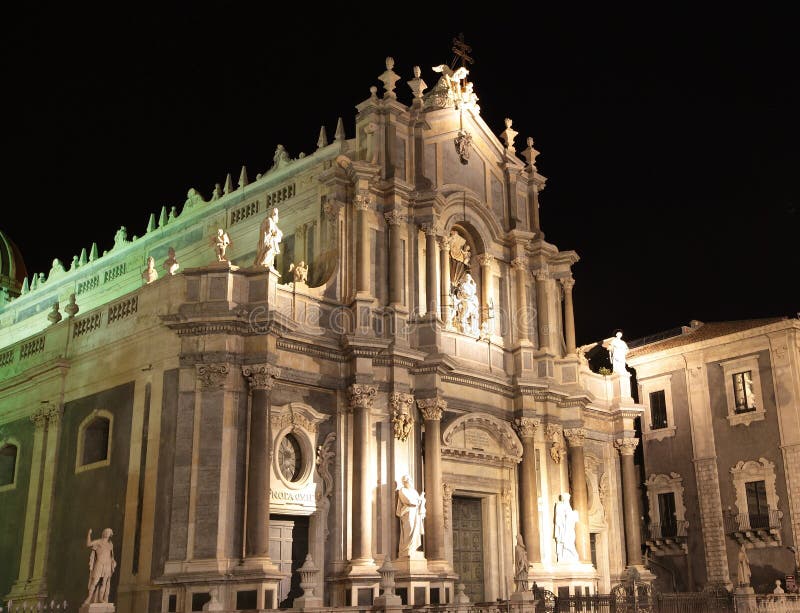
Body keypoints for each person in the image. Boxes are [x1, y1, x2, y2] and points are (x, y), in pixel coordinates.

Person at [83, 528, 116, 605]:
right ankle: (89, 597)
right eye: (106, 532)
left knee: (104, 582)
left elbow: (112, 555)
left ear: (110, 534)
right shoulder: (99, 541)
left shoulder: (110, 544)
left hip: (107, 564)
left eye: (109, 532)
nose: (107, 533)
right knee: (95, 581)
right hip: (99, 563)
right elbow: (88, 544)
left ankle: (101, 598)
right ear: (103, 533)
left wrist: (113, 562)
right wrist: (89, 534)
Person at [396, 474, 426, 558]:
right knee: (409, 528)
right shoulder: (402, 490)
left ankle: (412, 548)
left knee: (415, 529)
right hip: (407, 512)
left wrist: (421, 499)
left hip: (415, 512)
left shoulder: (414, 491)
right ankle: (406, 548)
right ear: (404, 482)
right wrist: (418, 500)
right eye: (407, 480)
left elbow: (417, 502)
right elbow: (408, 500)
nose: (409, 482)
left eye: (410, 480)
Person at [554, 492, 579, 563]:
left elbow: (571, 518)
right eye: (566, 498)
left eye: (568, 498)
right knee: (565, 543)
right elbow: (558, 518)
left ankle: (572, 556)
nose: (567, 500)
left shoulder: (568, 506)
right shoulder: (560, 505)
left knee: (569, 543)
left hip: (568, 528)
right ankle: (564, 557)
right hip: (563, 527)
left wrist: (573, 514)